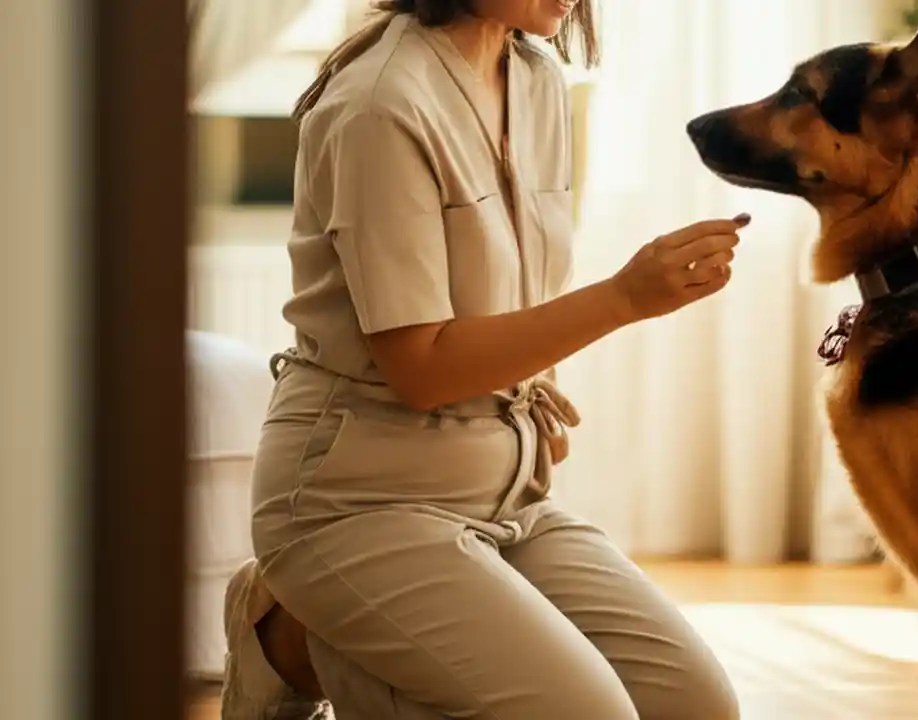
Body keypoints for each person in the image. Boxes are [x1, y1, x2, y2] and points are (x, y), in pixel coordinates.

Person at [220, 1, 747, 718]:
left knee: (693, 707)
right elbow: (423, 367)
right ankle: (291, 636)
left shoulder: (536, 80)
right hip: (354, 502)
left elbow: (510, 285)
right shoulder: (379, 105)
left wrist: (529, 390)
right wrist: (625, 297)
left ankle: (317, 632)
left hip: (504, 499)